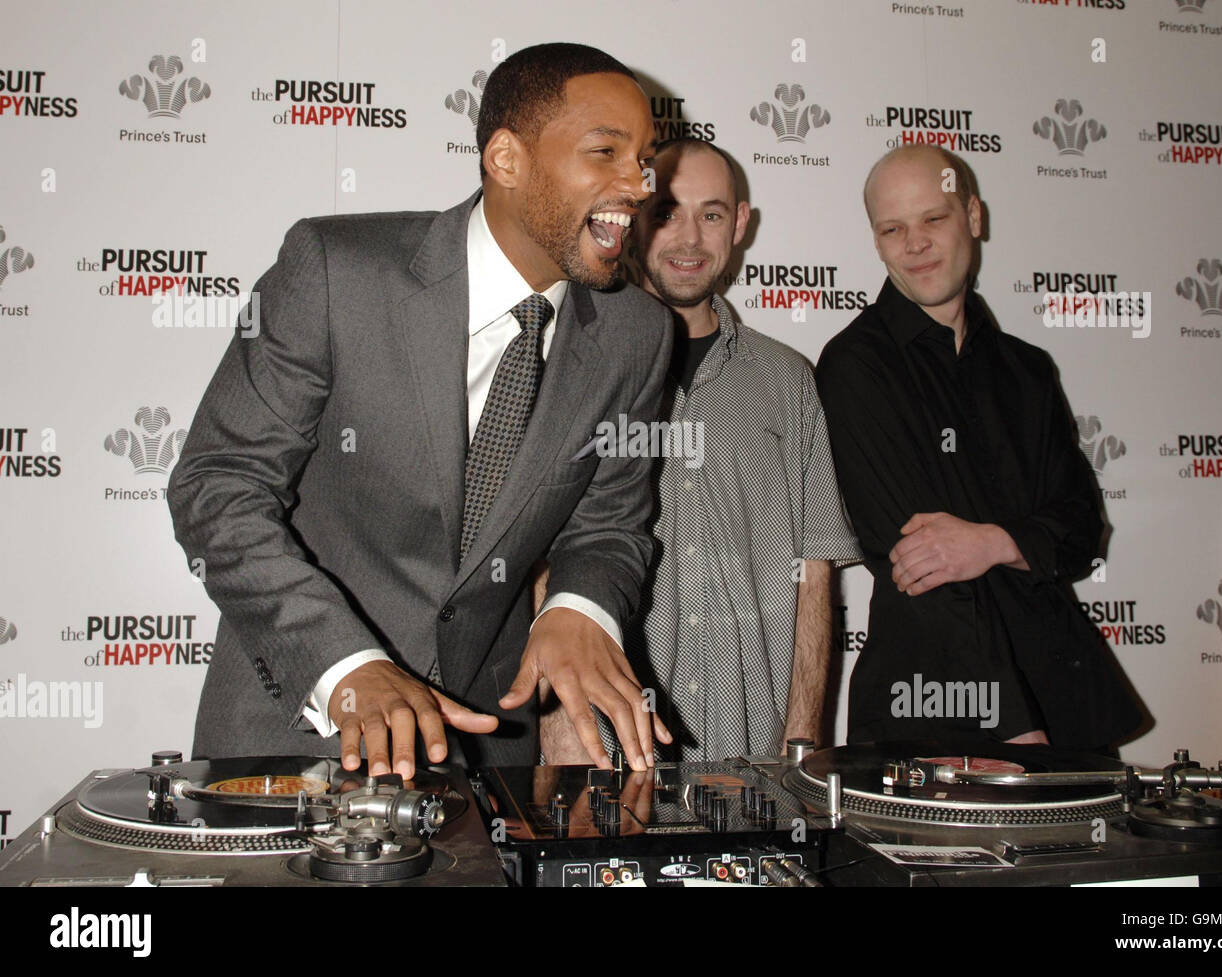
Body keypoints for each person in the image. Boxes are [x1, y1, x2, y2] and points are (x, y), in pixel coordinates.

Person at [167, 43, 675, 776]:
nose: (638, 183)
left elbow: (609, 524)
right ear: (507, 158)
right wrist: (345, 667)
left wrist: (577, 609)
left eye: (644, 159)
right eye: (606, 152)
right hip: (295, 735)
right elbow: (220, 485)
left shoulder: (637, 331)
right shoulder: (337, 270)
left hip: (485, 749)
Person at [540, 138, 860, 763]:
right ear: (635, 220)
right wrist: (559, 738)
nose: (689, 239)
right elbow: (540, 560)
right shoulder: (574, 365)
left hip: (751, 755)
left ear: (739, 224)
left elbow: (815, 572)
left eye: (710, 215)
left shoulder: (786, 380)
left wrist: (801, 744)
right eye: (667, 213)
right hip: (603, 749)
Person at [815, 144, 1141, 751]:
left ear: (973, 216)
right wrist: (1012, 724)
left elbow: (1079, 530)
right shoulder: (855, 366)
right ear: (876, 242)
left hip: (1062, 696)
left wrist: (993, 542)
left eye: (934, 219)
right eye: (892, 229)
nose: (915, 244)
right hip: (936, 706)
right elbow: (917, 563)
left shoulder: (1028, 370)